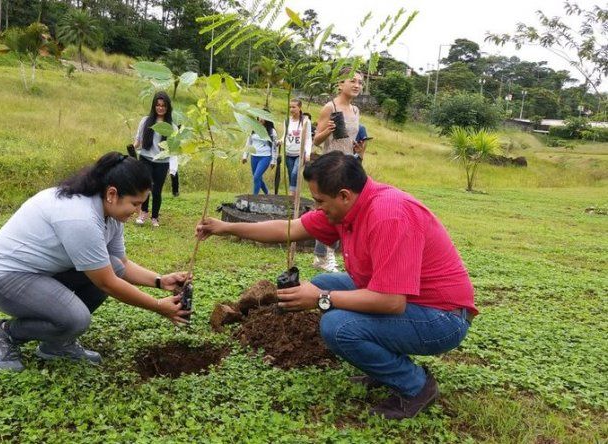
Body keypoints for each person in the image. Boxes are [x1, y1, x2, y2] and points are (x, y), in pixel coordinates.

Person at [196, 152, 477, 420]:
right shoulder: (350, 208)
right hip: (412, 303)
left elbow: (392, 302)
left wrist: (321, 299)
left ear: (344, 195)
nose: (317, 207)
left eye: (319, 201)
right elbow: (289, 229)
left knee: (336, 326)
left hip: (442, 318)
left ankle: (416, 386)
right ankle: (384, 368)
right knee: (325, 281)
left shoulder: (388, 215)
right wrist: (226, 227)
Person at [0, 152, 190, 372]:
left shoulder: (110, 214)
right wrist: (157, 306)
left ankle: (56, 344)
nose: (137, 211)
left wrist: (160, 281)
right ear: (112, 194)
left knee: (113, 265)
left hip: (42, 272)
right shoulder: (81, 217)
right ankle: (4, 333)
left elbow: (122, 265)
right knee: (75, 319)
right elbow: (107, 282)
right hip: (2, 277)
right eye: (135, 203)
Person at [311, 70, 365, 271]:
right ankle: (323, 255)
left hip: (350, 164)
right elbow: (316, 140)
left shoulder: (356, 110)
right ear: (340, 84)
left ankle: (327, 254)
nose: (357, 85)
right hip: (331, 165)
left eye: (360, 82)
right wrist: (328, 130)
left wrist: (359, 150)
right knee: (331, 210)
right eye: (353, 81)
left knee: (348, 210)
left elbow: (350, 140)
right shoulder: (330, 107)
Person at [134, 91, 176, 227]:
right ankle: (143, 213)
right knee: (146, 187)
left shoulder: (172, 127)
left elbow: (174, 149)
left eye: (163, 105)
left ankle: (155, 217)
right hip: (145, 158)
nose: (160, 108)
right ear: (154, 106)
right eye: (158, 105)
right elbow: (138, 140)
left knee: (157, 190)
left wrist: (173, 167)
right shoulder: (145, 121)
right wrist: (132, 148)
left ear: (167, 107)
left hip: (162, 162)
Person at [278, 98, 313, 197]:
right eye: (290, 107)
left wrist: (308, 153)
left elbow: (308, 138)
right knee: (291, 175)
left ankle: (291, 194)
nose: (291, 109)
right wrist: (280, 141)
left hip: (300, 153)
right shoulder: (287, 121)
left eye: (294, 107)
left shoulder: (305, 121)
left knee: (295, 173)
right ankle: (295, 196)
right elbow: (285, 135)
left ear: (299, 107)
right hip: (289, 152)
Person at [241, 117, 278, 195]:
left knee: (256, 177)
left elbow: (274, 146)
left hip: (265, 157)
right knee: (258, 178)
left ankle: (254, 198)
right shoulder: (254, 128)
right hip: (254, 156)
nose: (260, 119)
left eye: (262, 118)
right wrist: (245, 156)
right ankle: (267, 194)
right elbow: (249, 143)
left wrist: (273, 160)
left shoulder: (271, 131)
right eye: (259, 117)